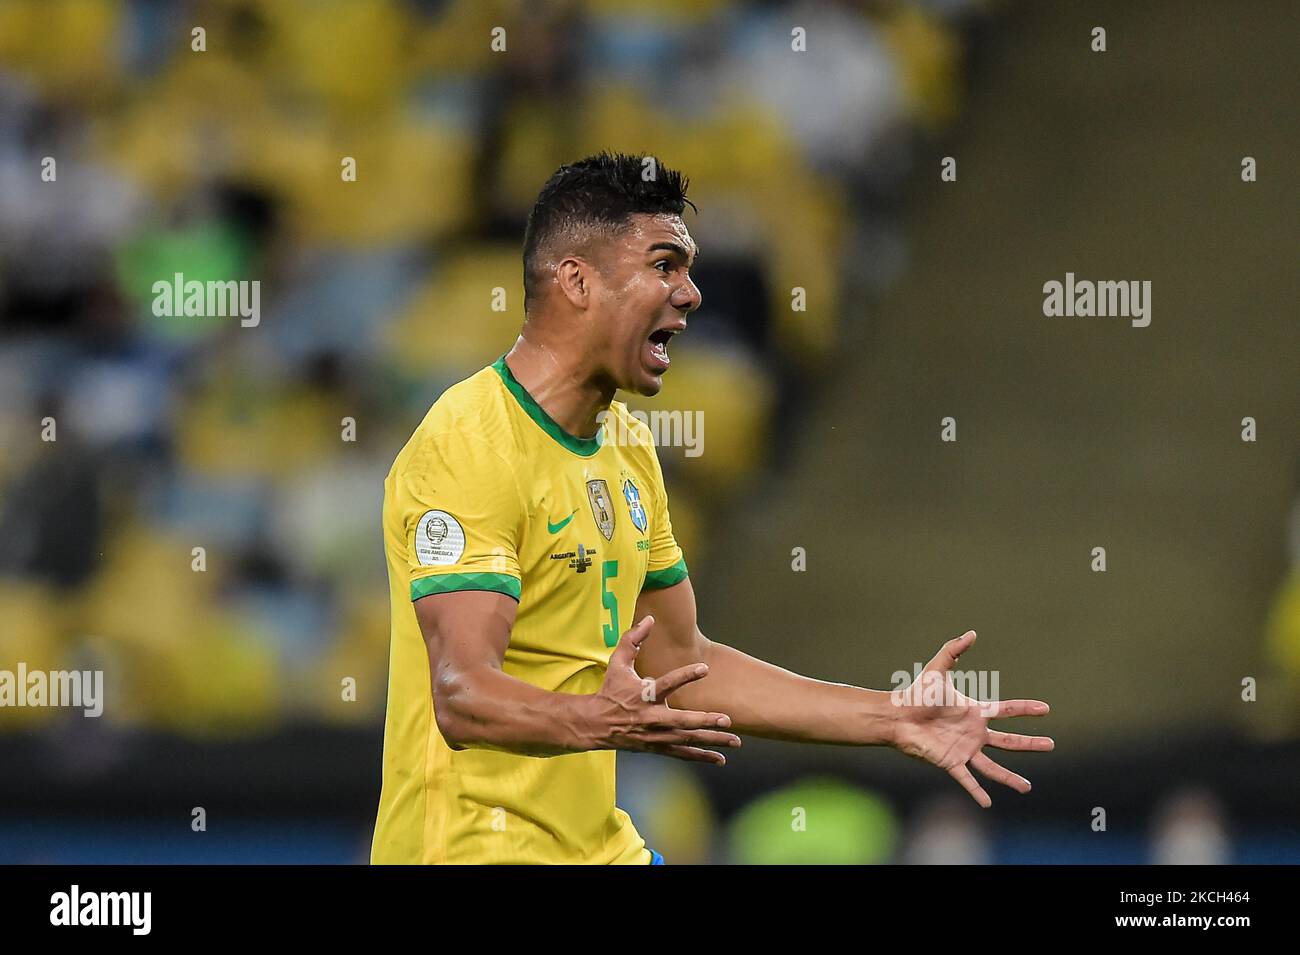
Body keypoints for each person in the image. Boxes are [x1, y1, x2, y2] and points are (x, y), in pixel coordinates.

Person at [370, 152, 1054, 864]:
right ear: (577, 281)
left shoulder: (628, 447)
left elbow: (685, 664)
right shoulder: (469, 443)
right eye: (664, 265)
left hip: (594, 847)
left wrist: (888, 716)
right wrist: (596, 721)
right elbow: (462, 692)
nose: (690, 293)